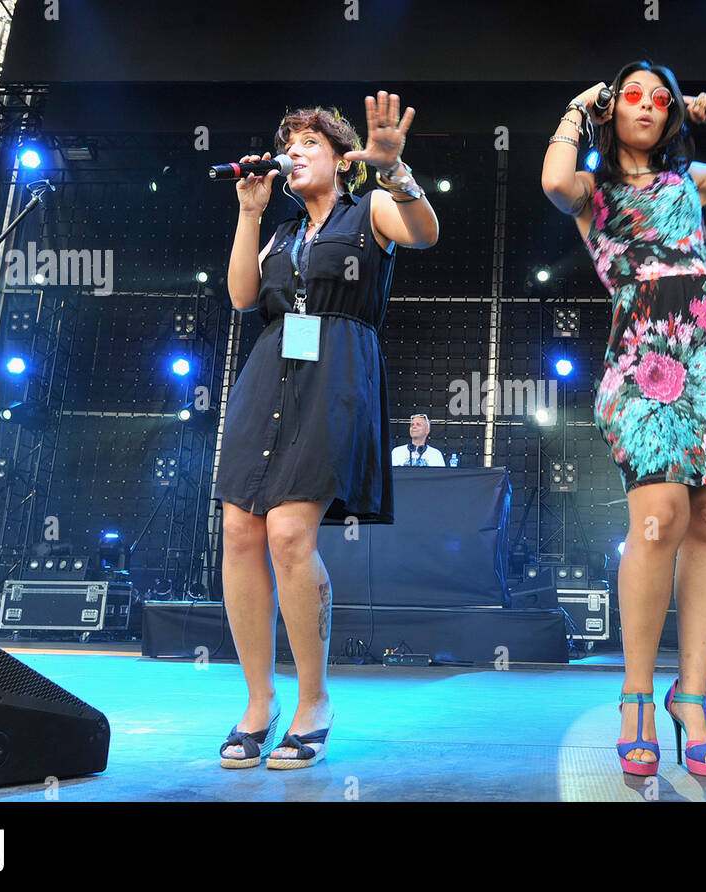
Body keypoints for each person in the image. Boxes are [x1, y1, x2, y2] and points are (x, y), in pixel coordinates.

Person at [541, 61, 706, 777]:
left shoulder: (692, 181)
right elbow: (553, 181)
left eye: (662, 98)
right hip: (643, 352)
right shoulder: (593, 193)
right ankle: (636, 695)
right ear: (609, 110)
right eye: (633, 96)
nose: (650, 106)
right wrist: (576, 106)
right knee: (658, 516)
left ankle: (694, 696)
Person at [214, 92, 438, 770]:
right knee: (239, 529)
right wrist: (250, 213)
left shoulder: (366, 209)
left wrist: (395, 172)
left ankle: (314, 701)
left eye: (310, 143)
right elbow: (243, 297)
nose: (295, 152)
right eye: (290, 144)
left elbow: (425, 231)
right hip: (271, 367)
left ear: (342, 160)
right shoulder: (279, 232)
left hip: (337, 371)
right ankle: (260, 702)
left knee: (288, 532)